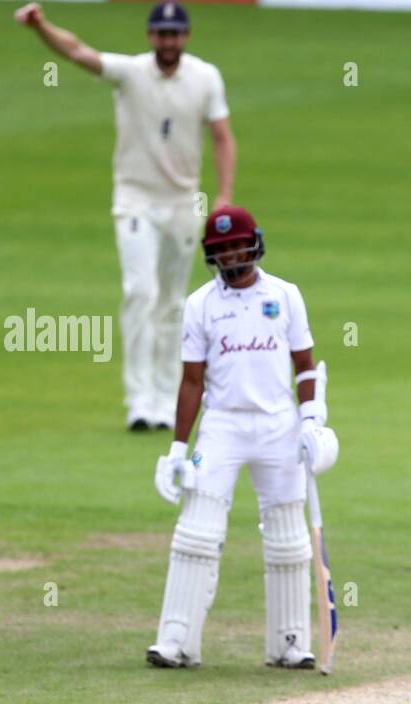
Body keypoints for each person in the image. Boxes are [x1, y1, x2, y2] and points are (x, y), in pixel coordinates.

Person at [14, 1, 237, 430]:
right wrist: (41, 26)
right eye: (160, 34)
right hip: (135, 198)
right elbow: (78, 52)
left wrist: (224, 194)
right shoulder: (131, 72)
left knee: (174, 303)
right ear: (150, 36)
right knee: (140, 292)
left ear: (185, 37)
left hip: (182, 202)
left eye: (174, 34)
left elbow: (223, 137)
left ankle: (168, 399)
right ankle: (139, 401)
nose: (167, 41)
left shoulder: (205, 77)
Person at [147, 206, 336, 671]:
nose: (232, 254)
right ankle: (177, 639)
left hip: (278, 424)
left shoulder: (285, 295)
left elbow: (306, 364)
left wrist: (311, 420)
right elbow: (192, 381)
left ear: (255, 243)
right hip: (223, 425)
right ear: (212, 254)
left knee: (289, 536)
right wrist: (177, 449)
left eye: (238, 244)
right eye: (222, 248)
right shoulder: (200, 305)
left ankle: (290, 643)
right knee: (197, 530)